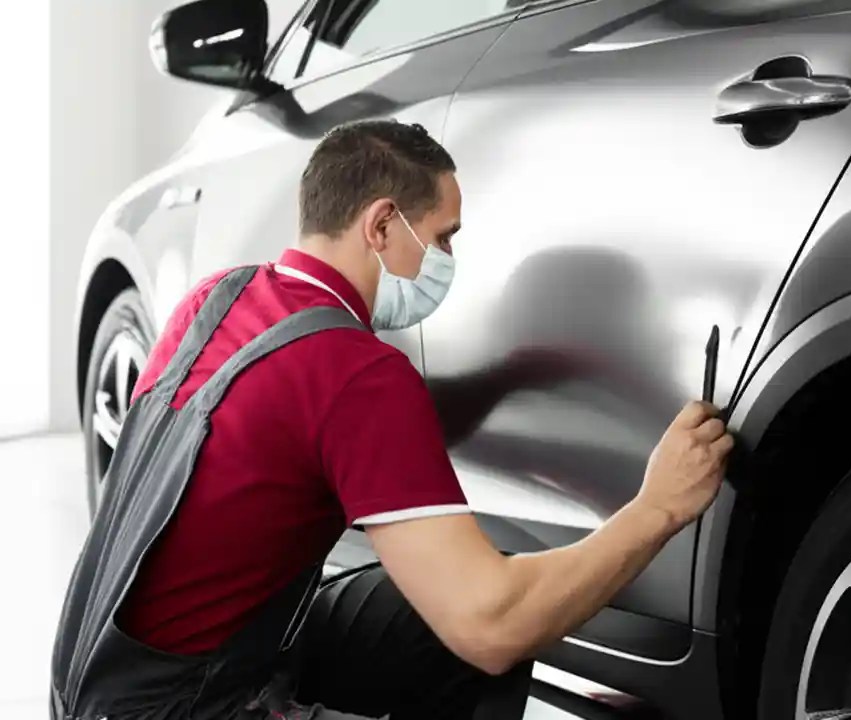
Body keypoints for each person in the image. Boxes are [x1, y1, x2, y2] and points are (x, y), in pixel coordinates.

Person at [50, 119, 733, 720]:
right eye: (442, 237)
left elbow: (320, 426)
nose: (448, 262)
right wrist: (658, 509)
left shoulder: (217, 301)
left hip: (101, 689)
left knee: (423, 620)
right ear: (380, 225)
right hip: (193, 707)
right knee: (492, 618)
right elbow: (492, 625)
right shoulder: (357, 372)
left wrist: (514, 376)